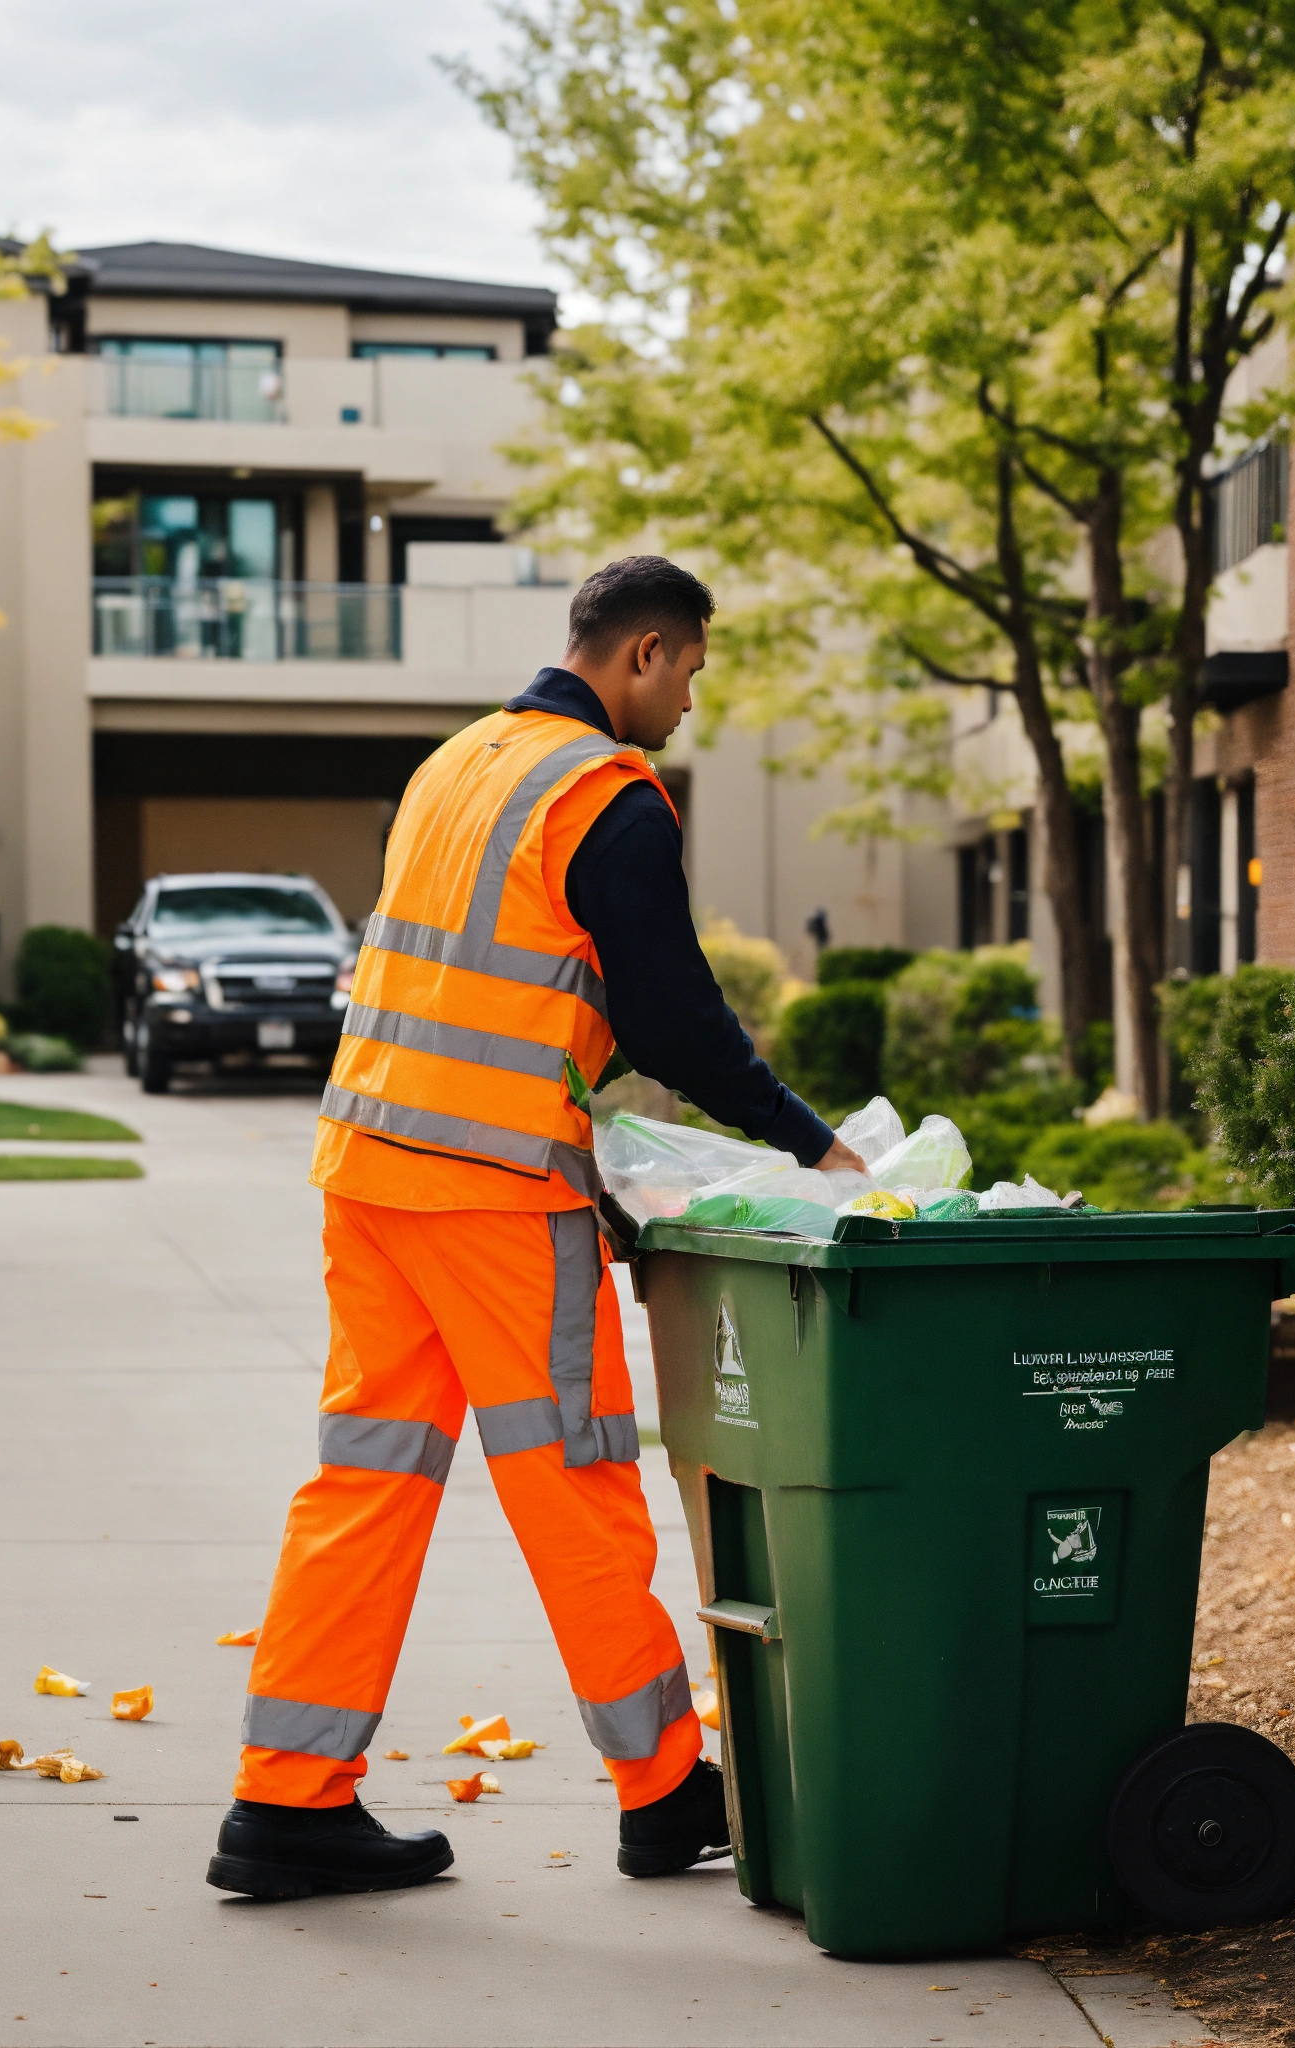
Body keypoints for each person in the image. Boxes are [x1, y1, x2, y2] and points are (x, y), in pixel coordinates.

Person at [206, 555, 867, 1902]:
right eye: (687, 672)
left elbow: (515, 982)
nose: (688, 705)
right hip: (494, 1190)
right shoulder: (606, 798)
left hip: (369, 1169)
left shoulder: (456, 765)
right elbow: (677, 1020)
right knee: (574, 1477)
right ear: (639, 654)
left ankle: (286, 1801)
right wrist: (816, 1142)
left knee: (366, 1482)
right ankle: (667, 1788)